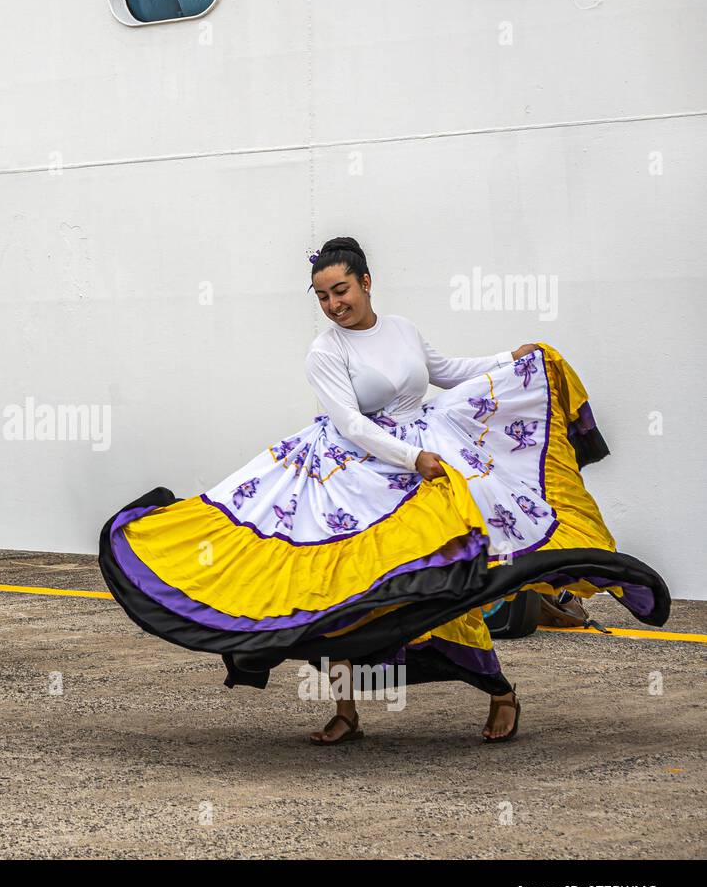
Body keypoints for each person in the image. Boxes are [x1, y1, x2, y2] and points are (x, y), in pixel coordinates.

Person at [99, 236, 670, 745]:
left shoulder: (401, 329)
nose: (333, 304)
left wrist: (508, 360)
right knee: (340, 591)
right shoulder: (325, 351)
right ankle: (347, 710)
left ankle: (499, 691)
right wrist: (412, 457)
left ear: (366, 282)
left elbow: (446, 371)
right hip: (352, 475)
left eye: (341, 290)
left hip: (426, 463)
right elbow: (351, 425)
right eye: (322, 296)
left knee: (453, 577)